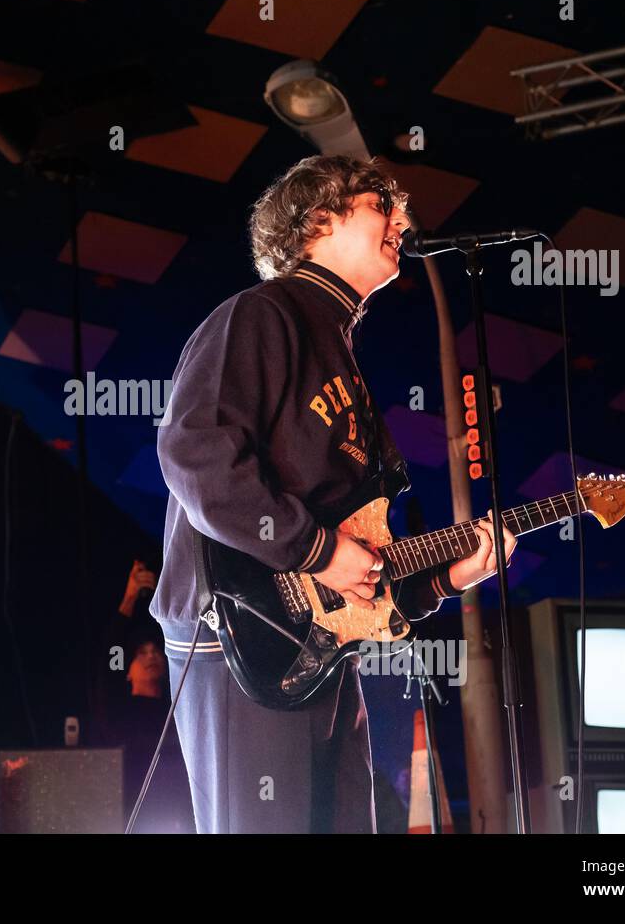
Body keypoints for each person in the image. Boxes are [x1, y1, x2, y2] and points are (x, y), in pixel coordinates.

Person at [150, 155, 516, 833]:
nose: (402, 219)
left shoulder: (337, 344)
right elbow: (196, 452)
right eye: (380, 204)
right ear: (317, 218)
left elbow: (362, 551)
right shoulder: (260, 315)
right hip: (239, 633)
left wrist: (443, 578)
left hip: (320, 650)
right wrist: (316, 551)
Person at [94, 559, 195, 834]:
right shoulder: (119, 711)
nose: (151, 656)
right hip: (133, 818)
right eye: (141, 653)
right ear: (127, 671)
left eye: (155, 651)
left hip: (180, 814)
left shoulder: (178, 708)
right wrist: (129, 599)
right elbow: (112, 656)